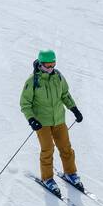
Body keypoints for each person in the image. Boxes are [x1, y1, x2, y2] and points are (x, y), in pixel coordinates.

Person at [19, 50, 85, 195]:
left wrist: (74, 109)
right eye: (47, 65)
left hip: (59, 120)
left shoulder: (58, 77)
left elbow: (65, 95)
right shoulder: (32, 81)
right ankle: (47, 178)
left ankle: (71, 173)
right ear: (40, 64)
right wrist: (31, 119)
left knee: (66, 148)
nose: (50, 68)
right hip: (42, 123)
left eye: (53, 64)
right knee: (47, 149)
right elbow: (25, 103)